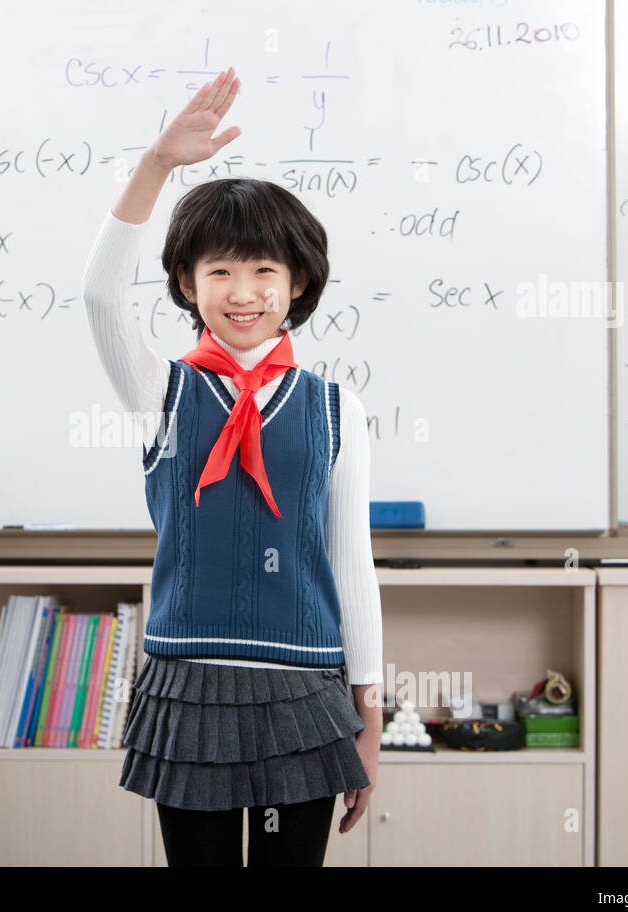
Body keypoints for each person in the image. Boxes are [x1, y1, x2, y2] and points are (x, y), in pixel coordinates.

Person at [81, 66, 384, 866]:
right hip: (192, 691)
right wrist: (156, 165)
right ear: (186, 282)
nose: (241, 292)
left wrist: (371, 707)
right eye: (218, 271)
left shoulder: (334, 408)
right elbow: (101, 298)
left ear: (298, 285)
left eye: (263, 272)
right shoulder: (162, 391)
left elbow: (351, 561)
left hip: (306, 692)